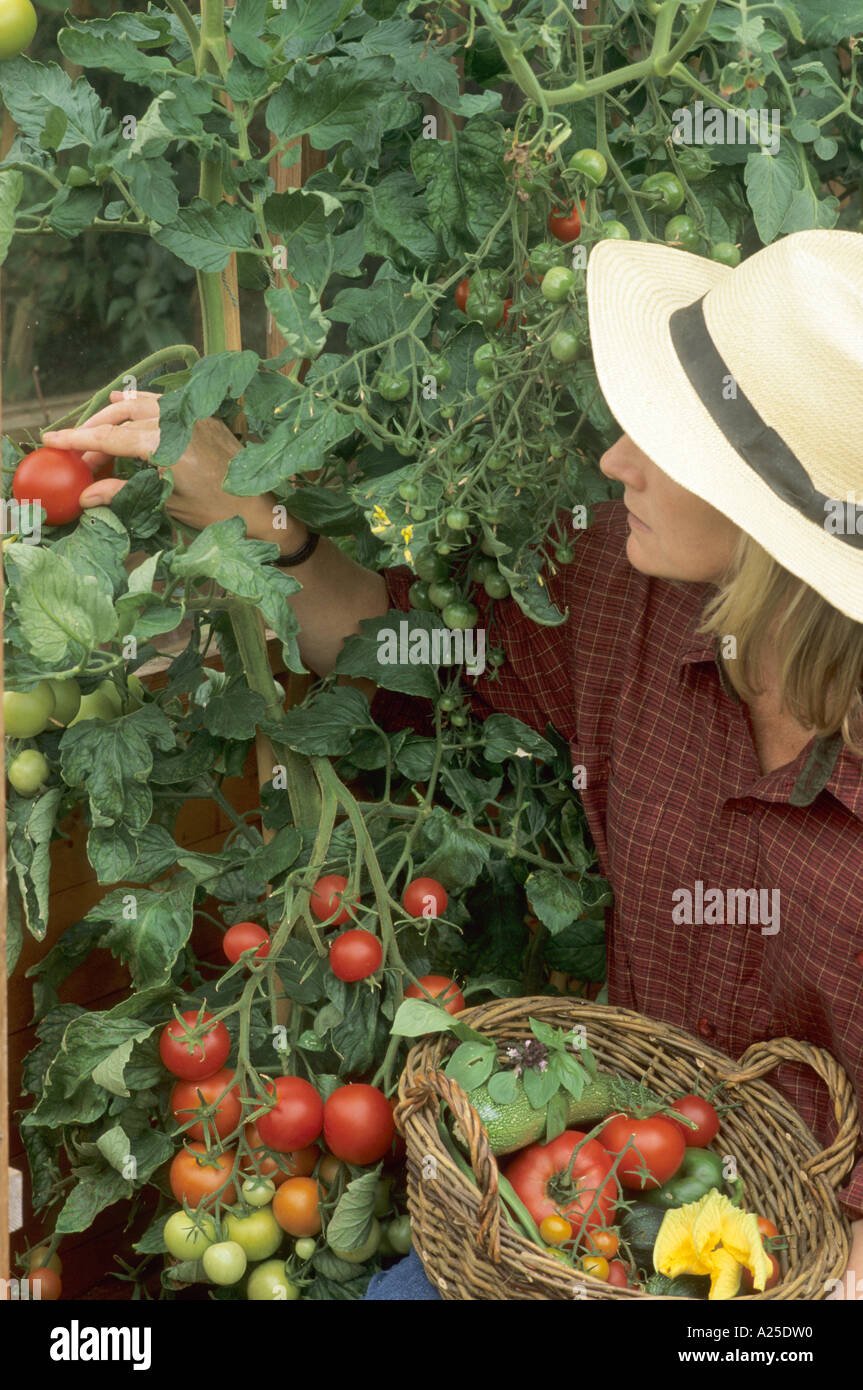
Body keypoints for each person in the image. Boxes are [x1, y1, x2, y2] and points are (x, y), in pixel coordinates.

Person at [44, 229, 863, 1300]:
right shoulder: (626, 603)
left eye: (661, 443)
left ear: (767, 525)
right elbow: (405, 647)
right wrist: (254, 511)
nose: (614, 460)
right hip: (605, 1207)